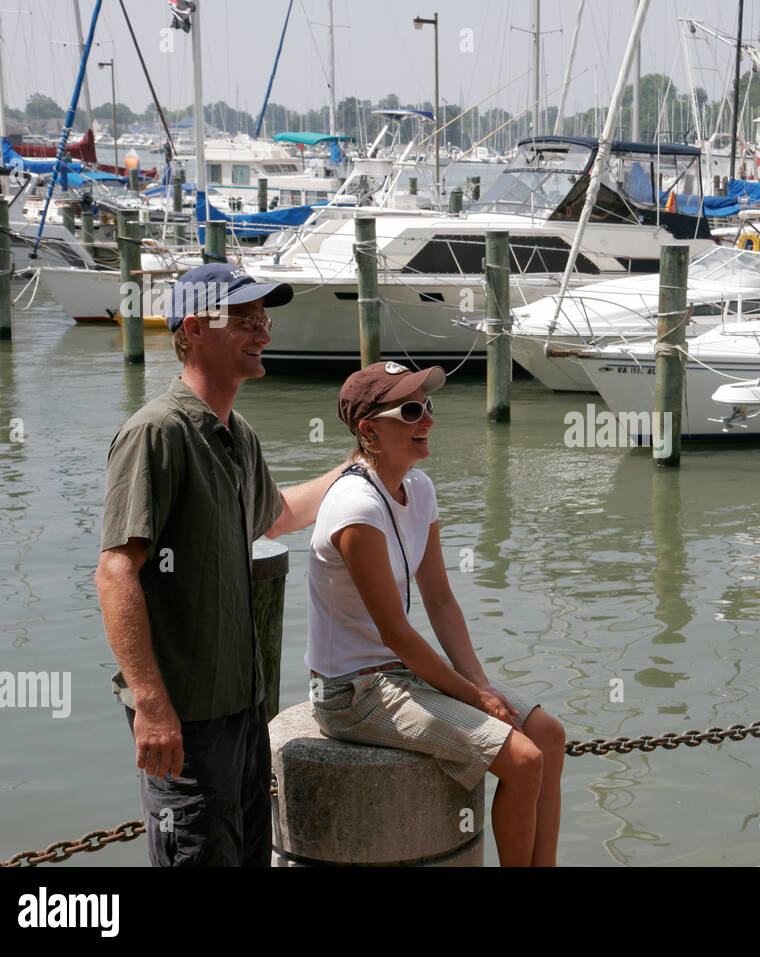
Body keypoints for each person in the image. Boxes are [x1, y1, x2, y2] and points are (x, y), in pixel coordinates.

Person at [95, 262, 348, 867]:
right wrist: (152, 705)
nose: (262, 331)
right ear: (194, 327)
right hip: (185, 718)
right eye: (243, 318)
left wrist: (363, 463)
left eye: (263, 318)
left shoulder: (238, 433)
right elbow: (115, 571)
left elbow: (279, 514)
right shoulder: (158, 432)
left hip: (242, 707)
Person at [307, 361, 565, 866]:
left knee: (548, 736)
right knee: (522, 758)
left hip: (398, 675)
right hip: (350, 691)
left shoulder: (418, 488)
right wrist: (472, 697)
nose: (426, 420)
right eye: (409, 411)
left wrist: (482, 685)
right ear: (369, 431)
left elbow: (440, 599)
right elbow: (397, 632)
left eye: (427, 407)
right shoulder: (355, 507)